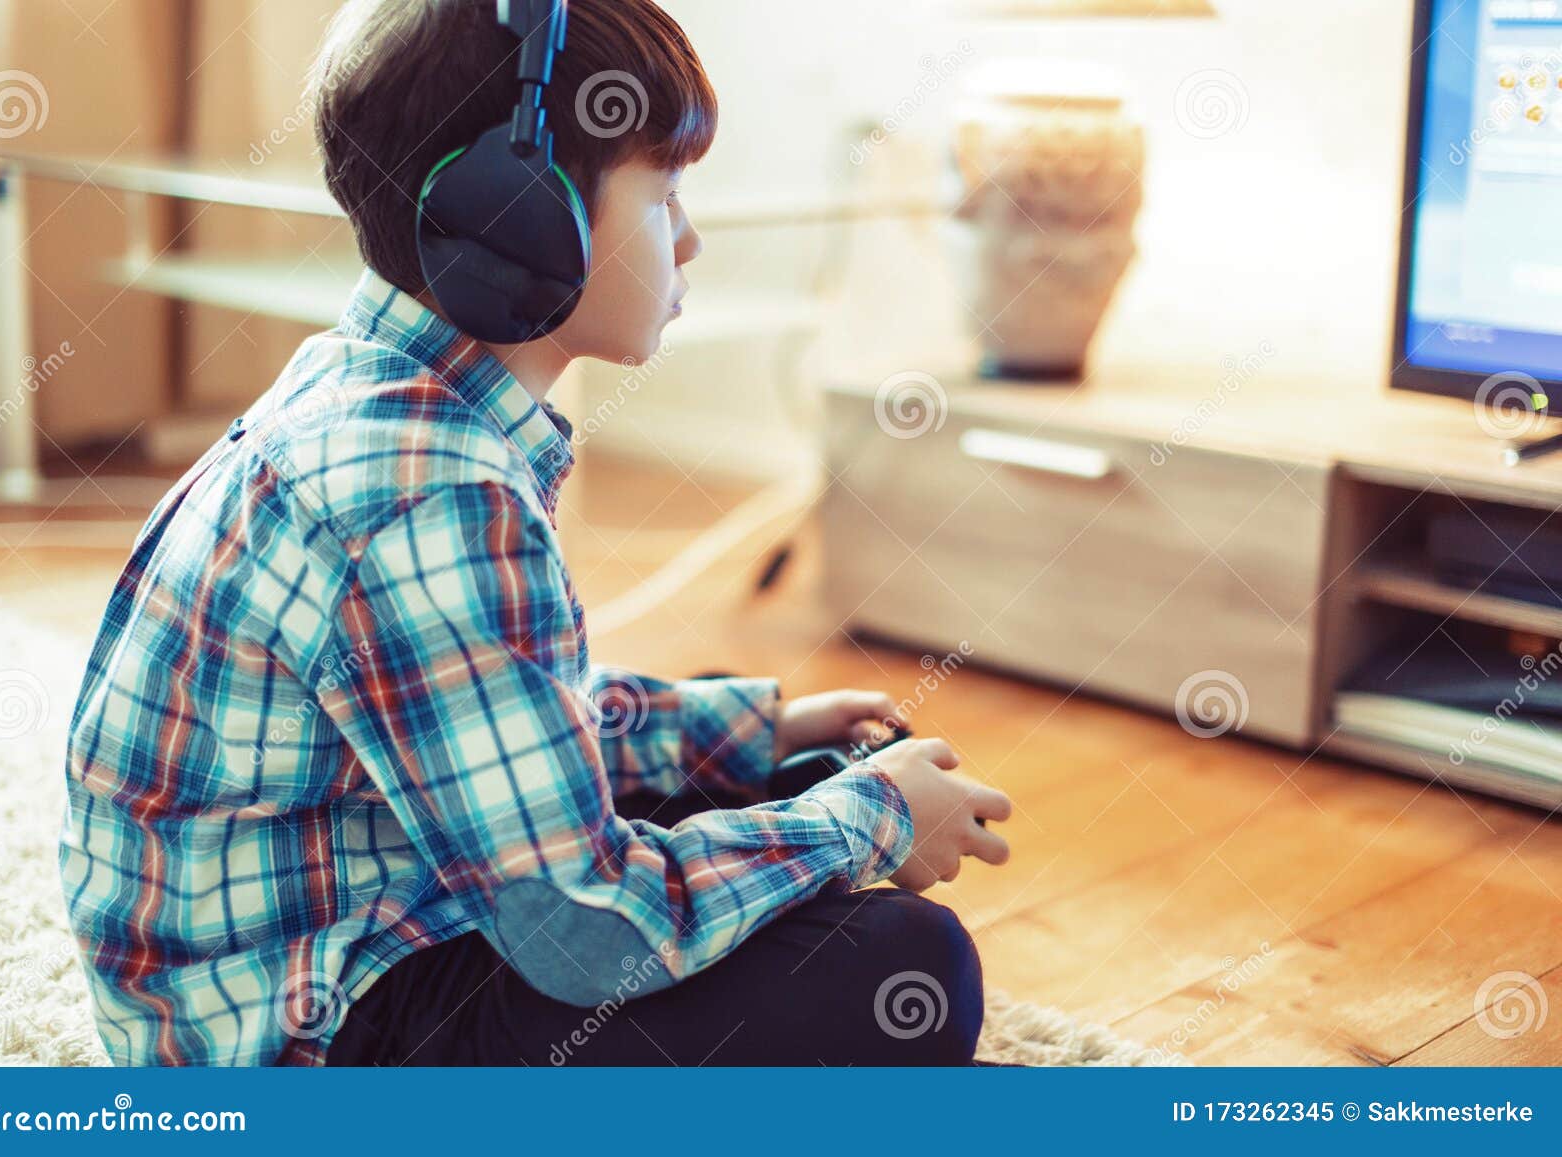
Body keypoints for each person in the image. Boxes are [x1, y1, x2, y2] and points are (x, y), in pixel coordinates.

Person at [60, 0, 1012, 1068]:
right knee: (905, 965)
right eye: (665, 192)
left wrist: (758, 728)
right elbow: (586, 930)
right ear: (521, 213)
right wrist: (868, 816)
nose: (691, 236)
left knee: (760, 765)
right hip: (309, 1049)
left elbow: (493, 717)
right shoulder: (427, 490)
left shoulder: (371, 390)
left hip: (331, 924)